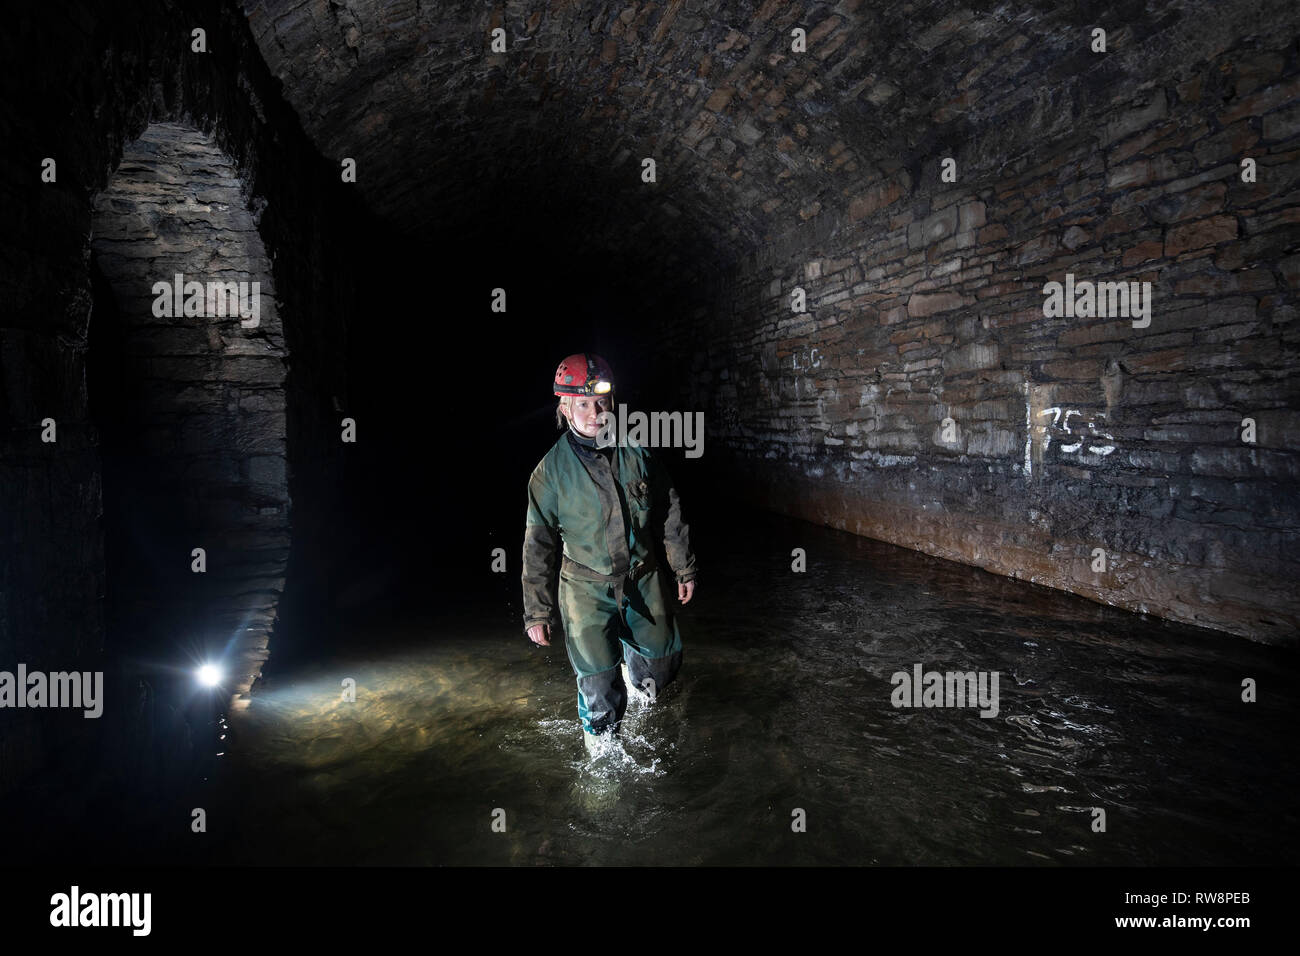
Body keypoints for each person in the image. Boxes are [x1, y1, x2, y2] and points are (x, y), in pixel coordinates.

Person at [521, 353, 697, 753]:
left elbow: (669, 508)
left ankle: (638, 682)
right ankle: (602, 758)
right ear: (564, 408)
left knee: (663, 667)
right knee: (599, 687)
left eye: (601, 401)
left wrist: (682, 567)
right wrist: (537, 610)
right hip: (585, 587)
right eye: (582, 404)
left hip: (643, 577)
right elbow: (538, 545)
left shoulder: (638, 450)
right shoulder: (549, 473)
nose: (594, 412)